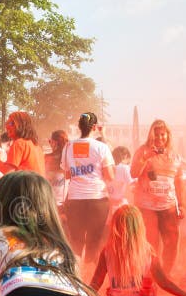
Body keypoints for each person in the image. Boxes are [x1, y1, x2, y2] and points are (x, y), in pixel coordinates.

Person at [91, 205, 186, 296]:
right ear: (139, 226)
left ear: (115, 225)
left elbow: (96, 282)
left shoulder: (107, 251)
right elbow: (164, 283)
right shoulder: (148, 250)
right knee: (151, 281)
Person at [130, 119, 184, 272]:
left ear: (168, 135)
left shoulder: (174, 155)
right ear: (151, 135)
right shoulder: (143, 151)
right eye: (157, 134)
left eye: (163, 134)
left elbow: (179, 183)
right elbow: (133, 173)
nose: (160, 138)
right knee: (151, 242)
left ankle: (166, 273)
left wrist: (183, 205)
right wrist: (146, 157)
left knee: (172, 240)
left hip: (169, 206)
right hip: (147, 206)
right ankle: (151, 273)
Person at [61, 112, 114, 268]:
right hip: (97, 200)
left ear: (79, 126)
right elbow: (110, 176)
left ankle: (77, 276)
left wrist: (80, 170)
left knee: (76, 240)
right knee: (94, 240)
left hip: (75, 199)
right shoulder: (101, 147)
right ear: (95, 127)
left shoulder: (68, 146)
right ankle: (90, 276)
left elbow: (66, 174)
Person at [0, 111, 45, 175]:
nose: (7, 127)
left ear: (21, 125)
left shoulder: (19, 143)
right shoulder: (37, 146)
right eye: (6, 123)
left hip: (27, 185)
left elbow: (8, 173)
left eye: (11, 124)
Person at [45, 130, 69, 211]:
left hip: (48, 204)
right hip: (64, 205)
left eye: (50, 141)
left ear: (55, 143)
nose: (50, 144)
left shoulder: (47, 158)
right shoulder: (69, 159)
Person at [108, 146, 134, 214]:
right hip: (119, 205)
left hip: (108, 205)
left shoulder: (108, 167)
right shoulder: (124, 168)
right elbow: (132, 184)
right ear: (125, 156)